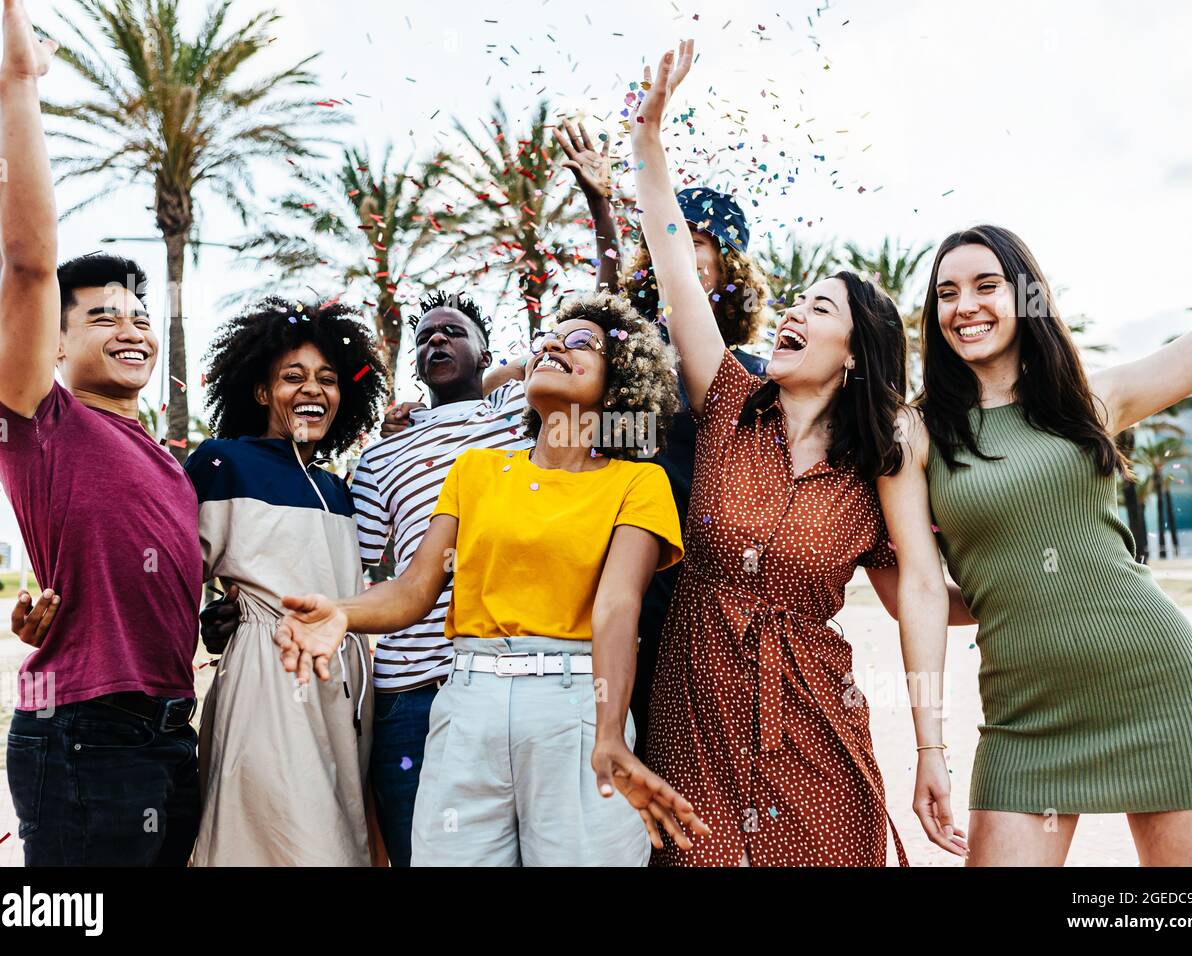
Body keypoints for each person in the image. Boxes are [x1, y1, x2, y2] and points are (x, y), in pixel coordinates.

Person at [631, 40, 973, 866]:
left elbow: (915, 597)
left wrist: (1012, 607)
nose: (791, 312)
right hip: (692, 718)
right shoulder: (724, 400)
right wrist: (648, 143)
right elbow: (674, 255)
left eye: (818, 308)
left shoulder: (878, 468)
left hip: (813, 719)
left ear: (854, 352)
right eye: (794, 301)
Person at [274, 292, 710, 865]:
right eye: (549, 341)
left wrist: (608, 733)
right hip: (466, 710)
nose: (555, 345)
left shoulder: (637, 482)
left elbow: (616, 609)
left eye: (582, 342)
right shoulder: (476, 470)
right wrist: (343, 613)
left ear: (619, 381)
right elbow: (414, 589)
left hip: (574, 710)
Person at [883, 224, 1192, 866]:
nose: (964, 306)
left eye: (986, 285)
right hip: (1024, 723)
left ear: (1025, 296)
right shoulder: (916, 433)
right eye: (947, 293)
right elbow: (918, 586)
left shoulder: (1091, 401)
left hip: (1158, 692)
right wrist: (928, 749)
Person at [0, 0, 201, 866]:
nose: (133, 327)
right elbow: (29, 262)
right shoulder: (40, 419)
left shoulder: (172, 462)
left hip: (167, 729)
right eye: (103, 314)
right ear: (56, 340)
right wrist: (20, 84)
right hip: (82, 727)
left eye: (142, 314)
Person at [555, 119, 772, 755]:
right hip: (634, 582)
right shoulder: (637, 362)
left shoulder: (756, 373)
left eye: (704, 241)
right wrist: (601, 206)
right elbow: (602, 315)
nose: (691, 254)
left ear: (731, 260)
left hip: (721, 592)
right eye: (677, 240)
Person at [181, 297, 388, 865]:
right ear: (259, 391)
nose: (312, 390)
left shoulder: (339, 490)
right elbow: (174, 576)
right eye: (292, 376)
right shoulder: (223, 463)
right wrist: (222, 617)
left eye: (327, 379)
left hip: (346, 683)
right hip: (271, 675)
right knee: (288, 839)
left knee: (345, 838)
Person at [350, 291, 530, 866]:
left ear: (487, 353)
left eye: (452, 332)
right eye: (425, 337)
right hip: (410, 695)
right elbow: (367, 569)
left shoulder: (523, 414)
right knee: (419, 854)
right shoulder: (381, 454)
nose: (436, 341)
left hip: (510, 680)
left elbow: (572, 346)